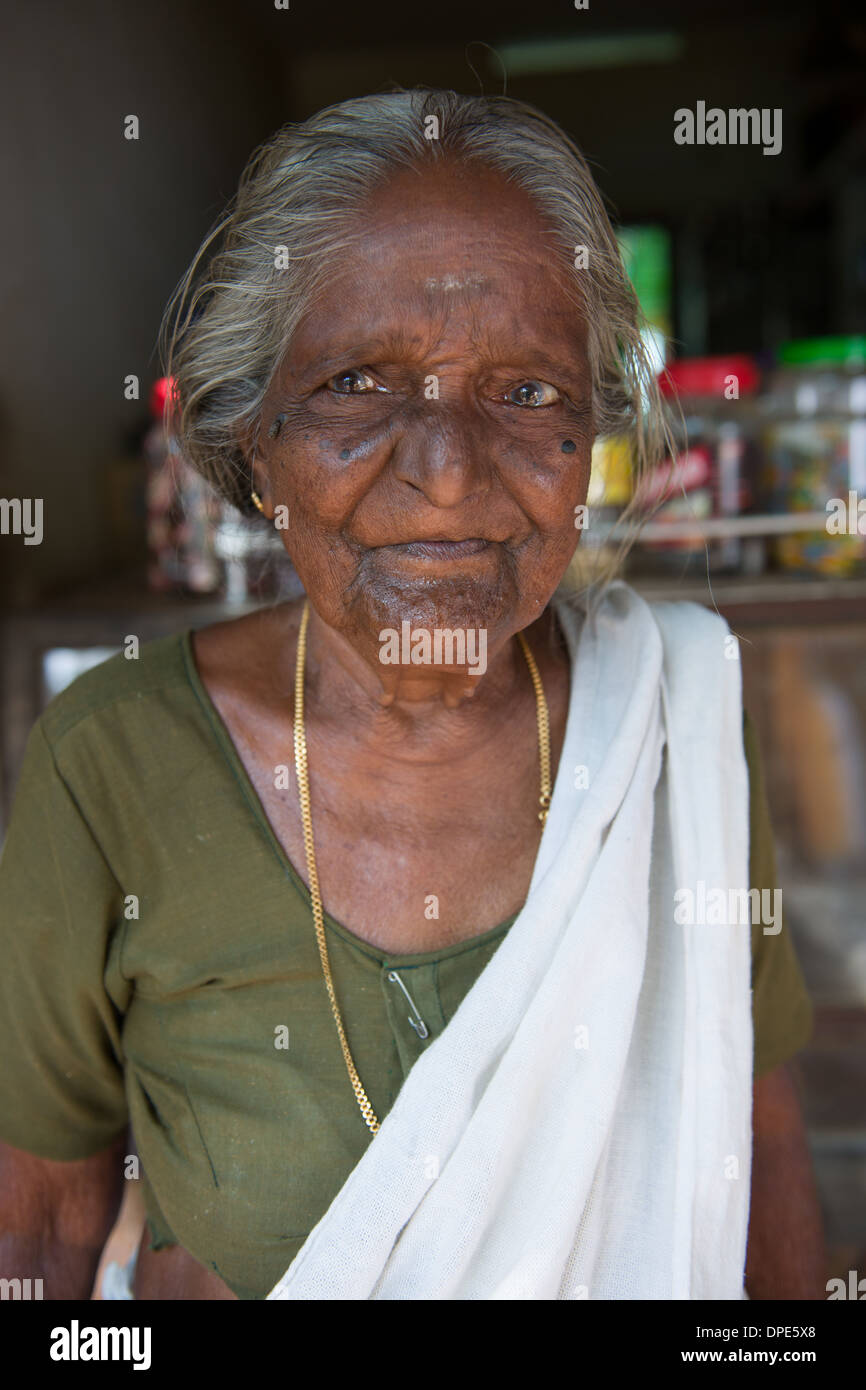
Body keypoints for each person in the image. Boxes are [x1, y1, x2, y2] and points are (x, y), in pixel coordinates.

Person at [0, 89, 824, 1300]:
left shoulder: (667, 723)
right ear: (251, 433)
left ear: (588, 433)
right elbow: (44, 1215)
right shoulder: (114, 762)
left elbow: (754, 1149)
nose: (444, 477)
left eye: (525, 393)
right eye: (355, 384)